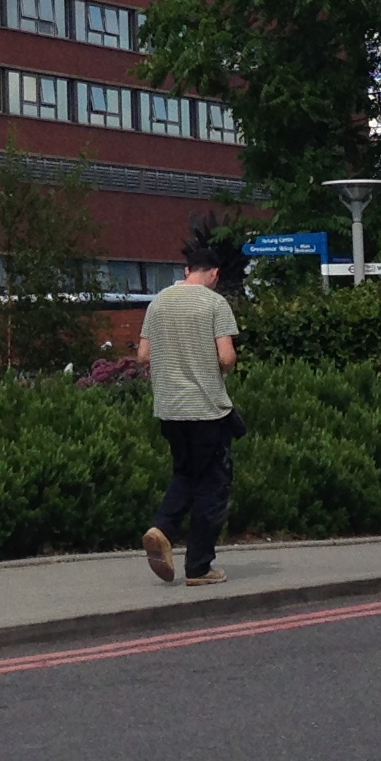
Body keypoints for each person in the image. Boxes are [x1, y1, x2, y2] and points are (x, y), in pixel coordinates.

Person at [140, 225, 241, 585]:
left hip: (169, 409)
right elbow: (227, 358)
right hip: (206, 409)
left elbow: (143, 353)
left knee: (186, 473)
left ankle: (162, 528)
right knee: (213, 487)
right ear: (214, 274)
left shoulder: (158, 301)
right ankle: (199, 567)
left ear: (186, 271)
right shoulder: (215, 303)